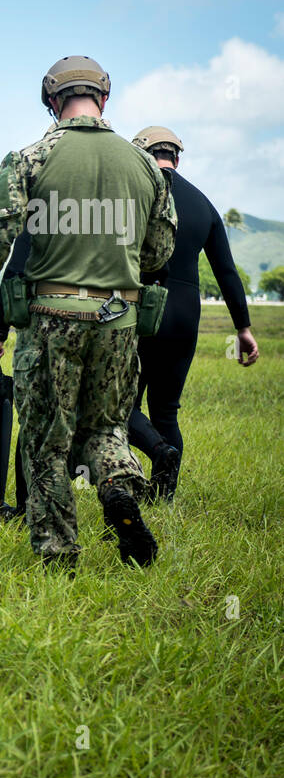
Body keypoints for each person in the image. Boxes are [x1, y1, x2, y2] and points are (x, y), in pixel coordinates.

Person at [0, 56, 176, 568]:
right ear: (104, 99)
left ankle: (59, 551)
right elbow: (160, 248)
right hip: (120, 319)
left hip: (52, 316)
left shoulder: (31, 157)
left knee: (47, 440)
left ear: (51, 100)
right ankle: (118, 494)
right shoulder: (145, 164)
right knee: (106, 429)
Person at [127, 126, 259, 501]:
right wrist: (243, 328)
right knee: (166, 411)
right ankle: (163, 497)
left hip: (140, 310)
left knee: (120, 406)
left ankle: (151, 456)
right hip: (185, 315)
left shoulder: (136, 197)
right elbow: (227, 272)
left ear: (141, 156)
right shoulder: (204, 204)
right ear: (177, 158)